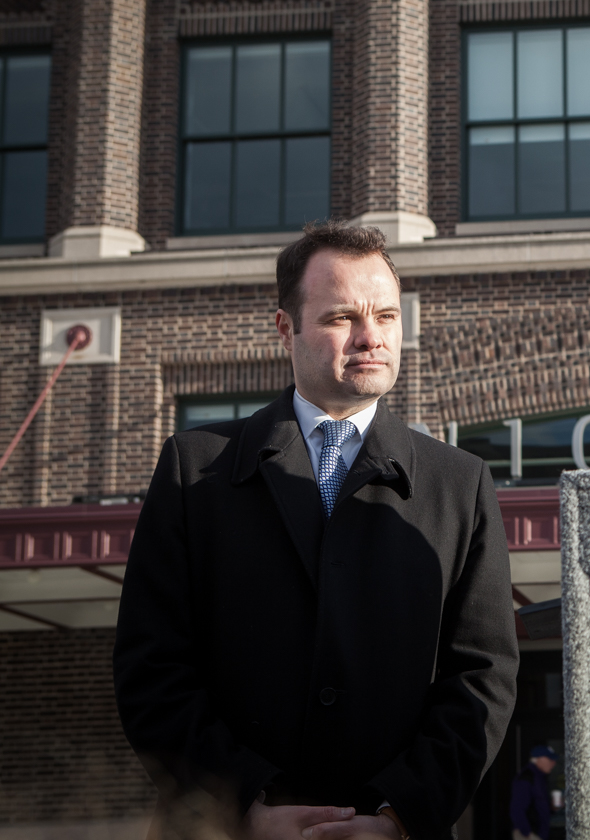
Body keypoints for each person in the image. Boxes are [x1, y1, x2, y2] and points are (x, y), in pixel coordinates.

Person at [113, 223, 519, 840]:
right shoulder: (194, 469)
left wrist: (399, 814)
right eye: (340, 319)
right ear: (285, 329)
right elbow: (152, 666)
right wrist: (239, 805)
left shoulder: (460, 484)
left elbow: (483, 678)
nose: (371, 338)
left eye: (386, 315)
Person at [509, 745, 558, 840]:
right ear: (539, 759)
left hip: (538, 834)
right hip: (529, 835)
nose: (553, 763)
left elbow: (538, 806)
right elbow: (517, 809)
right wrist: (527, 833)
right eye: (550, 759)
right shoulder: (527, 778)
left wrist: (552, 808)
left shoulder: (539, 778)